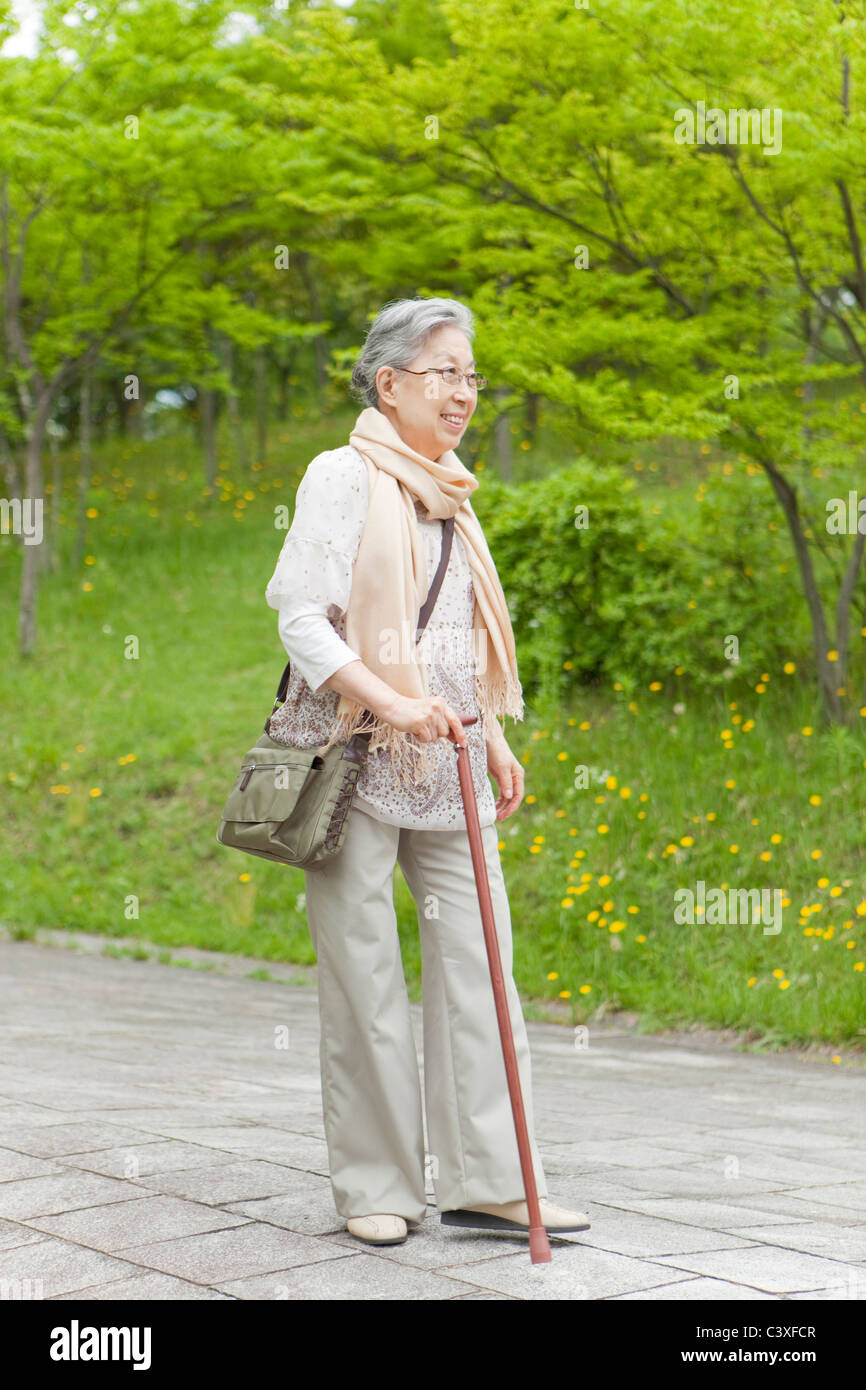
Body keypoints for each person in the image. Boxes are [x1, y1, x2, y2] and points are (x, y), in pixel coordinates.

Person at [265, 295, 590, 1247]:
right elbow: (299, 615)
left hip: (448, 758)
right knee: (365, 972)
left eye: (472, 375)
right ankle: (378, 1185)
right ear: (389, 381)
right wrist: (393, 699)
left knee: (481, 969)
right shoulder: (342, 477)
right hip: (359, 749)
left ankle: (491, 1179)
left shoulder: (448, 485)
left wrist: (487, 732)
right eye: (446, 372)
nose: (464, 392)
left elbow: (452, 636)